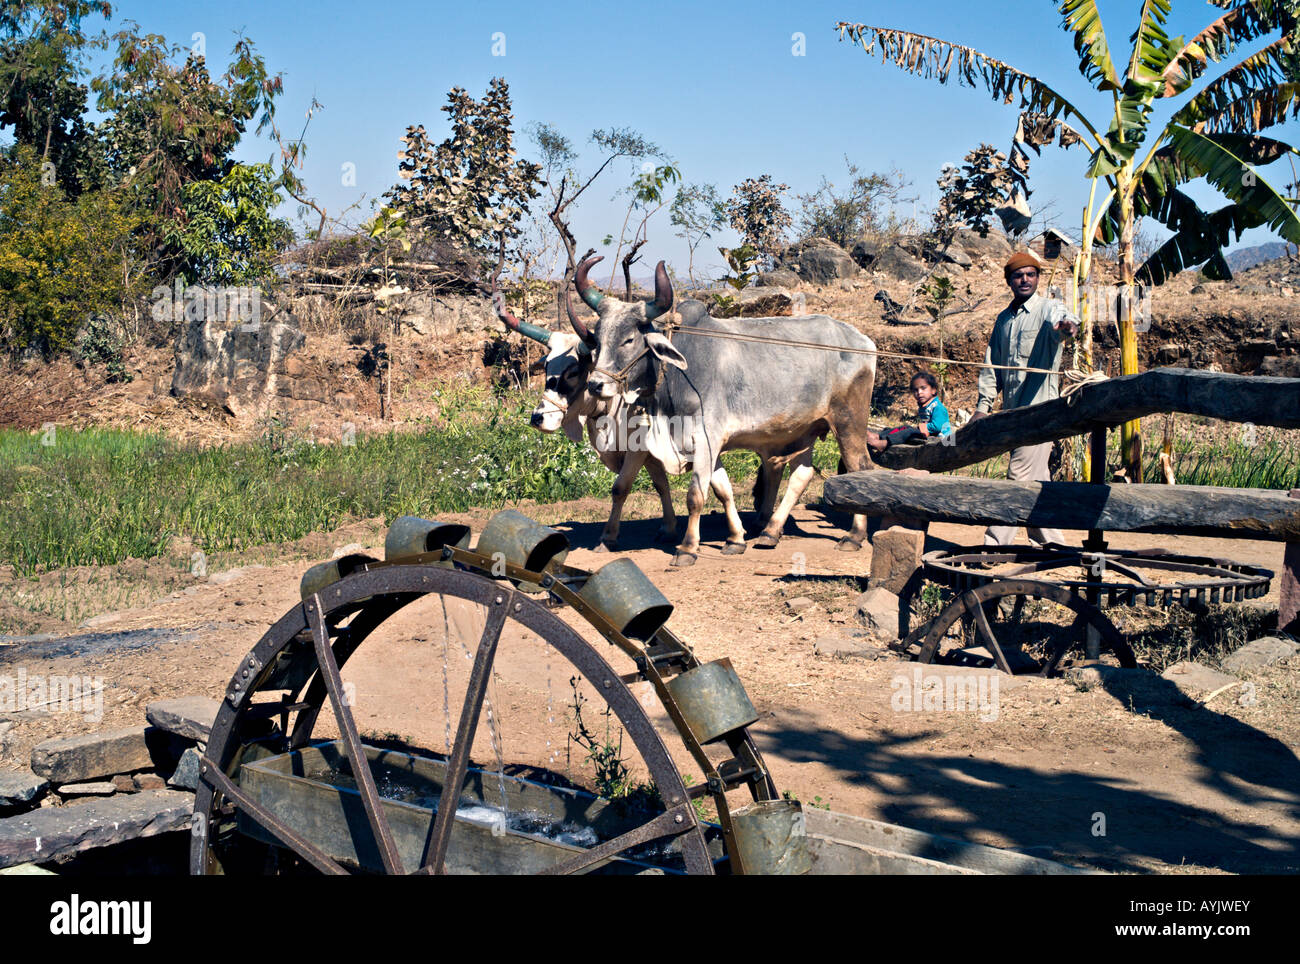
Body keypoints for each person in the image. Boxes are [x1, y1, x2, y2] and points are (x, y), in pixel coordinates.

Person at [971, 252, 1079, 546]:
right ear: (1009, 280)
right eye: (1019, 275)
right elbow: (992, 365)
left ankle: (994, 544)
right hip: (1012, 414)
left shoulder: (1049, 309)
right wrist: (984, 406)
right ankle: (1051, 542)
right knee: (1037, 479)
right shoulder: (1003, 320)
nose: (1025, 280)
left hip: (1042, 413)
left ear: (1038, 278)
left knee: (1019, 474)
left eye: (1031, 274)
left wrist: (1068, 327)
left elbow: (1067, 320)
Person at [866, 371, 951, 451]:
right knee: (905, 427)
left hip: (942, 439)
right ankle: (879, 436)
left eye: (923, 388)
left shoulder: (937, 407)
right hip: (929, 434)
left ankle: (885, 443)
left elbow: (939, 426)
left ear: (933, 390)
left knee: (909, 431)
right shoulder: (925, 406)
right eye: (915, 390)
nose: (919, 392)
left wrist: (923, 427)